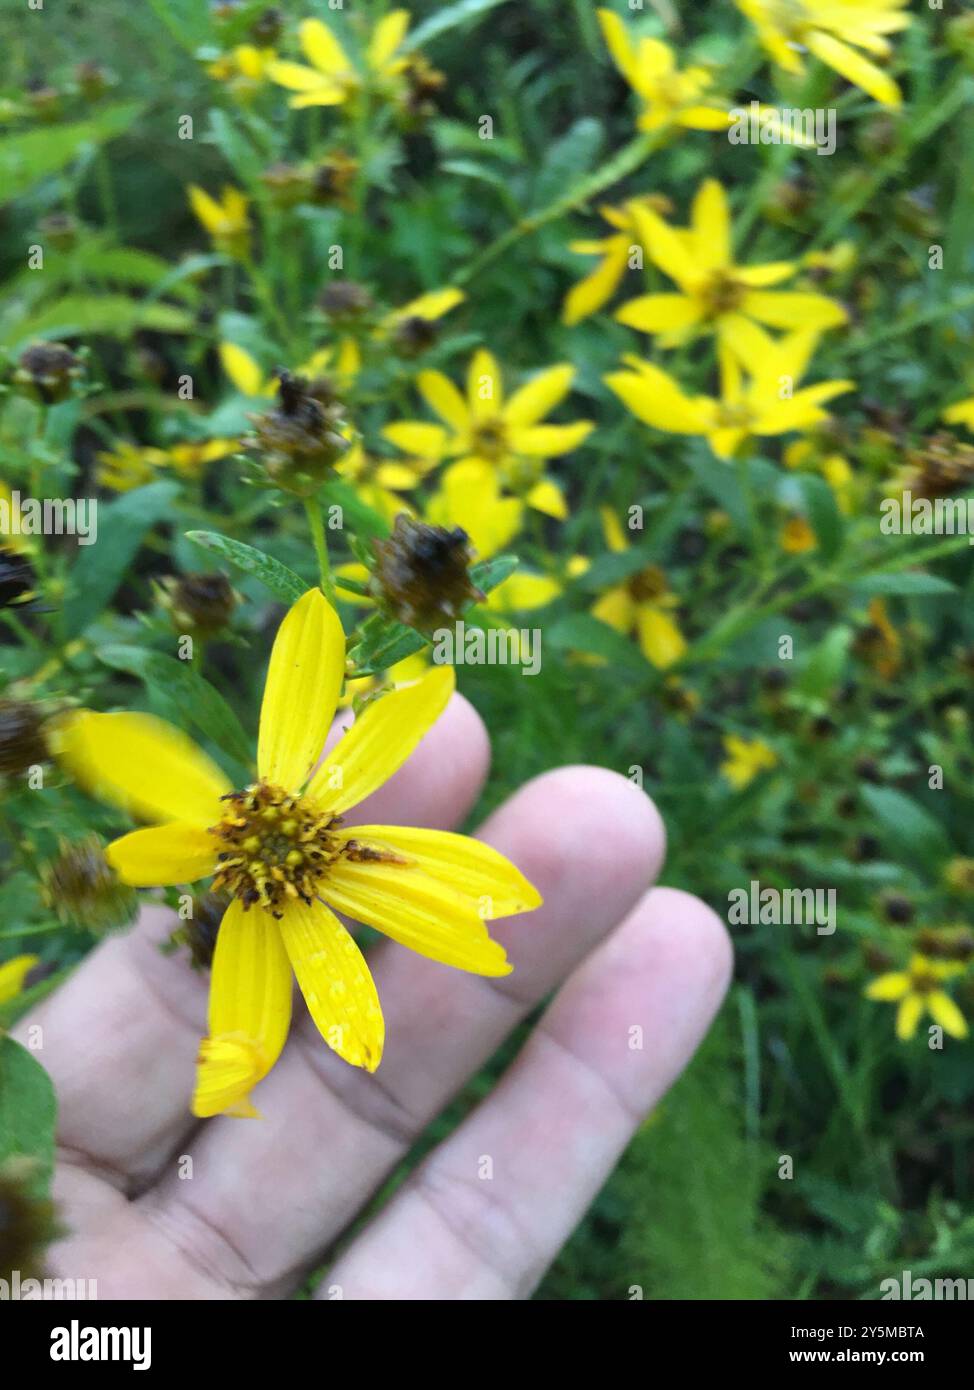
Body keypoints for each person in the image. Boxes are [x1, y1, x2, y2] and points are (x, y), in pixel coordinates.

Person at [15, 692, 731, 1299]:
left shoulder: (288, 876)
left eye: (276, 835)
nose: (271, 846)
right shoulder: (234, 884)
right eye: (261, 840)